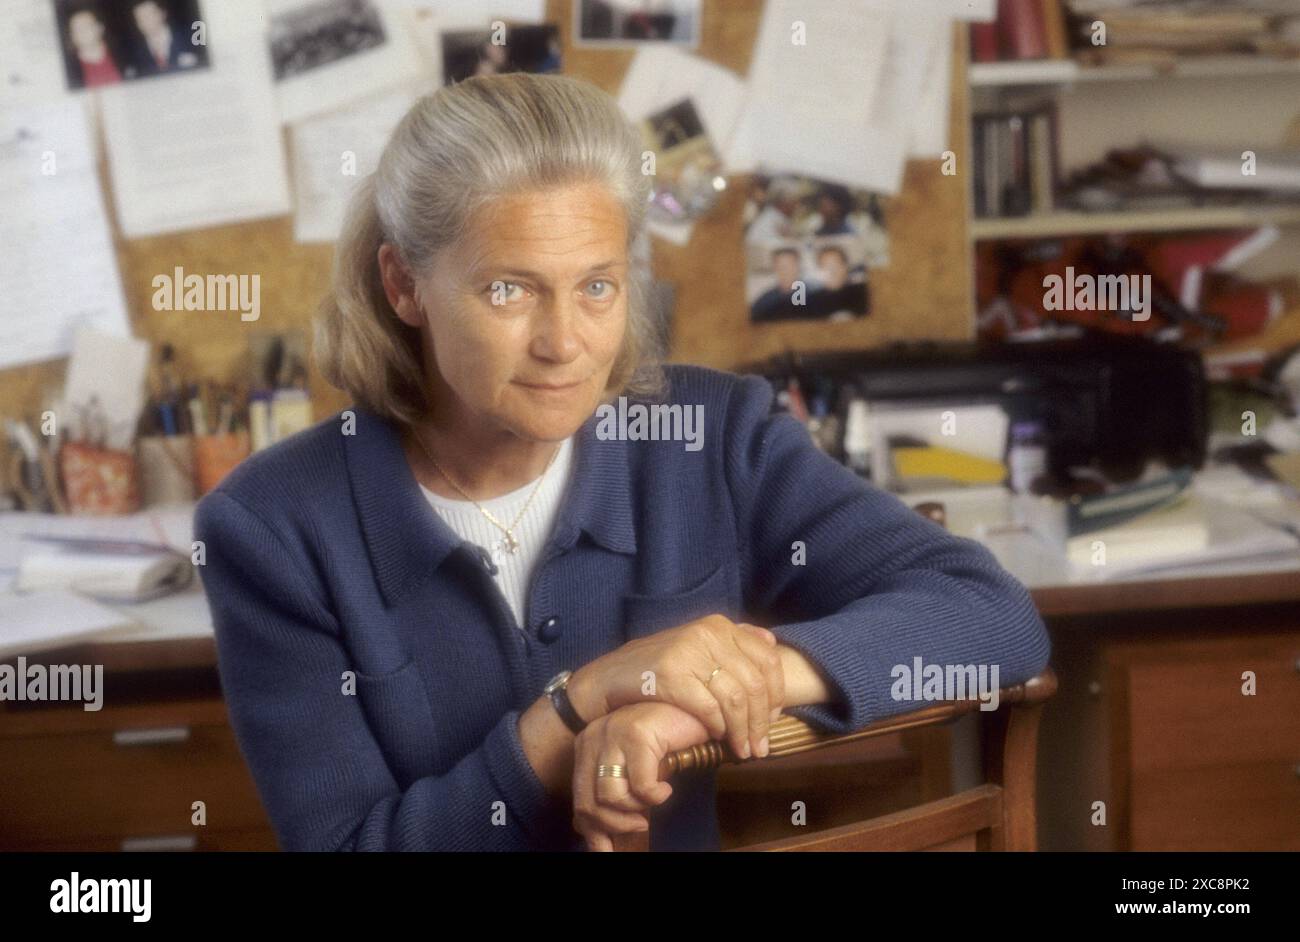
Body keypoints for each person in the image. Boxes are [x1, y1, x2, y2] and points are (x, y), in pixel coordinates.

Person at [194, 72, 1050, 852]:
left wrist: (685, 706)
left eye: (597, 286)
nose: (565, 342)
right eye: (509, 289)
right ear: (404, 284)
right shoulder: (271, 528)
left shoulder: (711, 434)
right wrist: (581, 704)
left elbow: (992, 617)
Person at [129, 0, 202, 76]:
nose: (143, 22)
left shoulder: (191, 38)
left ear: (162, 14)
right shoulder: (136, 55)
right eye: (139, 19)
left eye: (148, 16)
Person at [64, 7, 122, 88]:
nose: (82, 31)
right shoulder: (68, 71)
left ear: (99, 29)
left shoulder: (124, 54)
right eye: (77, 29)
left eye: (86, 26)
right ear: (73, 37)